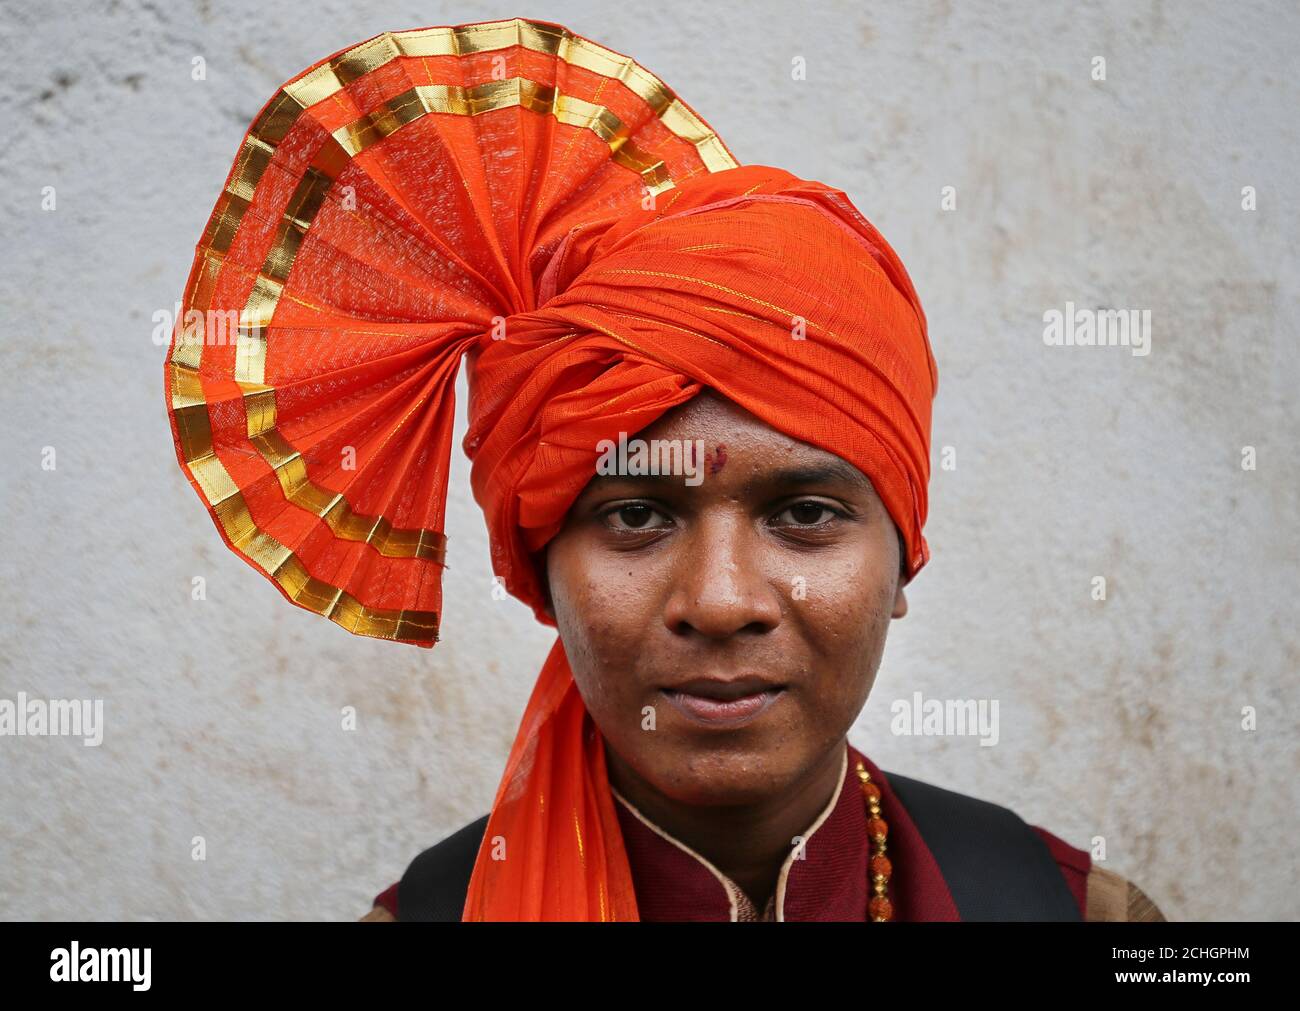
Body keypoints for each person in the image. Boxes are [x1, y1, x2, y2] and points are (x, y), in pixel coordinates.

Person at [164, 17, 1166, 922]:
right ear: (539, 568)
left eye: (806, 512)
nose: (721, 601)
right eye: (636, 514)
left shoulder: (1077, 915)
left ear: (902, 558)